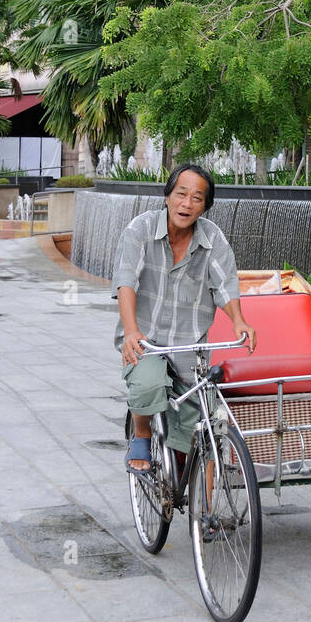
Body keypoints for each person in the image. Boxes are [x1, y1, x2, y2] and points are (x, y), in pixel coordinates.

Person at [112, 164, 257, 475]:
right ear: (167, 196)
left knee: (204, 428)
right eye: (181, 194)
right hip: (145, 338)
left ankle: (202, 519)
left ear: (204, 206)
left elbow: (224, 283)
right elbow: (126, 281)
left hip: (189, 345)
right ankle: (142, 434)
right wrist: (130, 331)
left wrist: (239, 320)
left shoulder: (212, 238)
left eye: (197, 198)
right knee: (147, 383)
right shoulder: (140, 229)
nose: (187, 203)